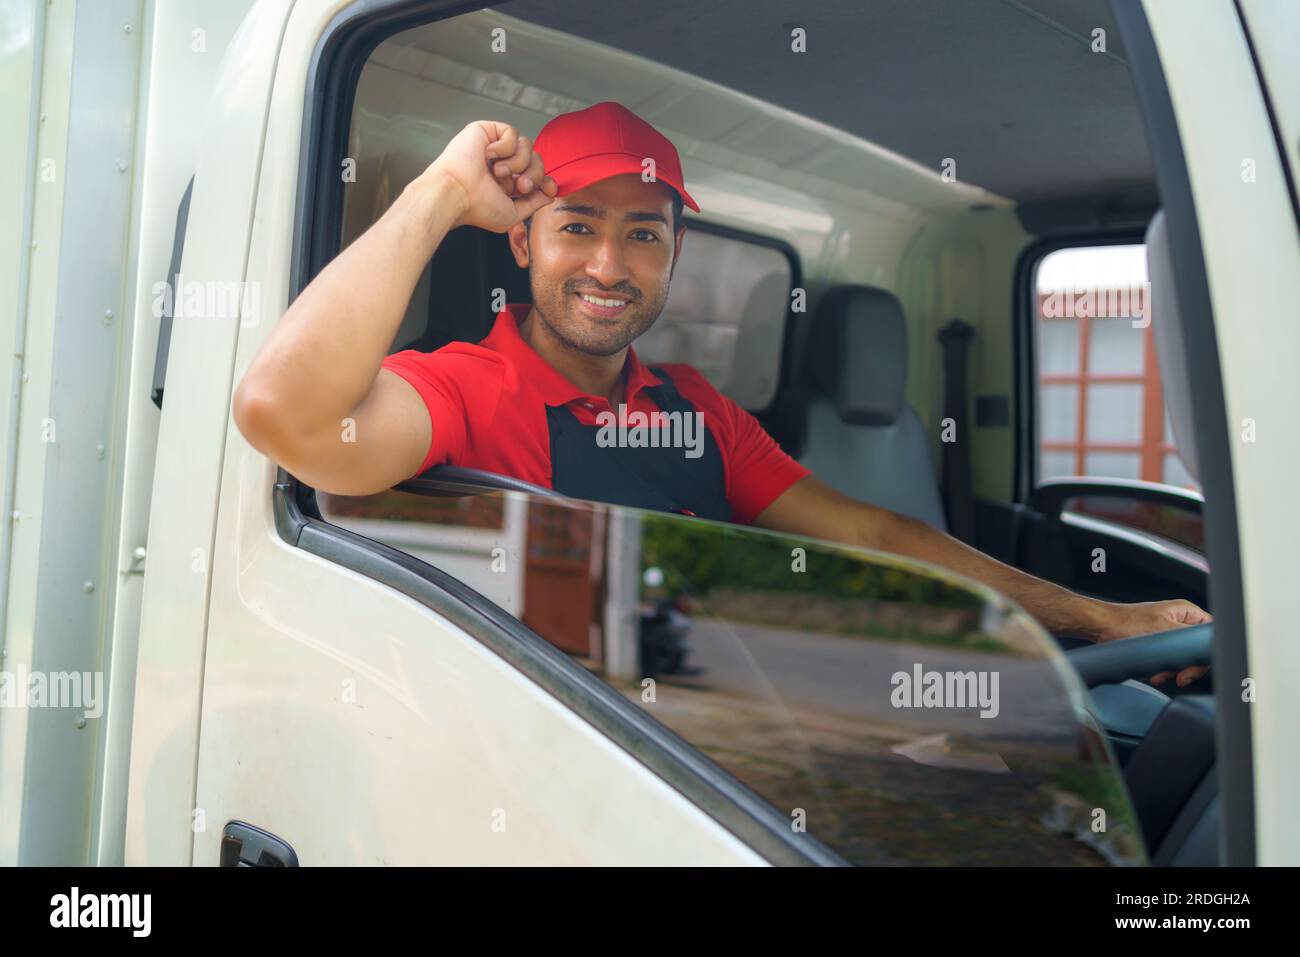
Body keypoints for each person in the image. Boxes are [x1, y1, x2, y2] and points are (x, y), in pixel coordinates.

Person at [234, 101, 1209, 680]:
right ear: (522, 239)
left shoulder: (691, 405)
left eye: (644, 233)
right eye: (577, 226)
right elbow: (287, 415)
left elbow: (869, 534)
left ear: (674, 253)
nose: (609, 265)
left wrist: (1101, 616)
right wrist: (443, 195)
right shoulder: (465, 386)